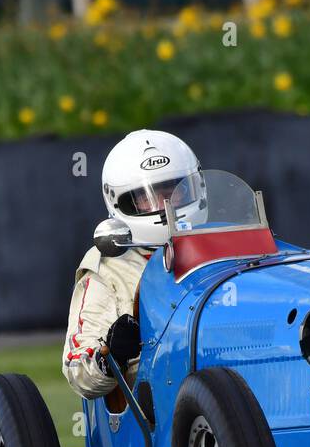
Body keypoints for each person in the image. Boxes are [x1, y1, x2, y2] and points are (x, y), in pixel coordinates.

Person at [63, 129, 206, 399]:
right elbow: (77, 369)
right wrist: (112, 354)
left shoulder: (221, 241)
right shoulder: (106, 267)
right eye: (146, 196)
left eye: (174, 190)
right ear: (121, 202)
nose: (164, 202)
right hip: (152, 404)